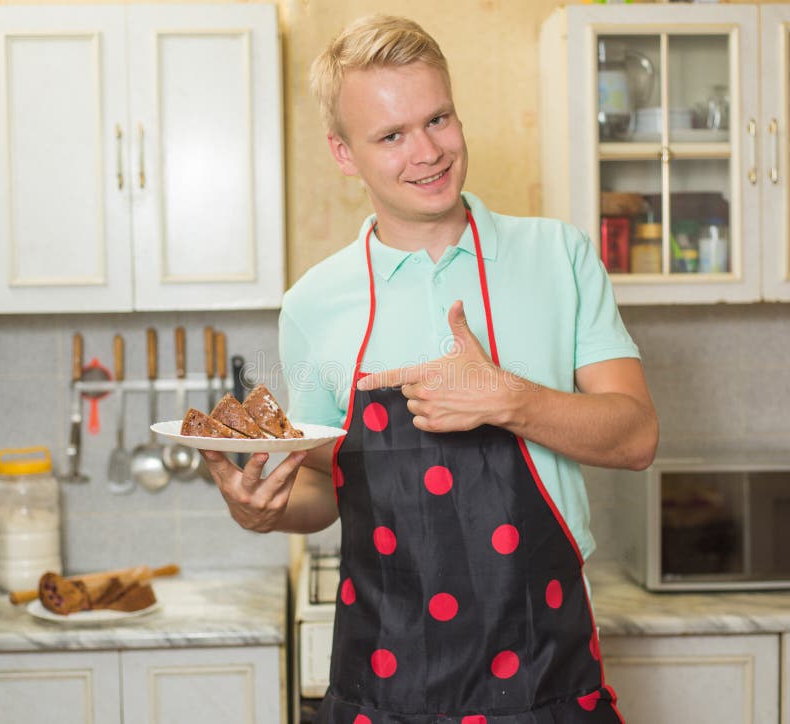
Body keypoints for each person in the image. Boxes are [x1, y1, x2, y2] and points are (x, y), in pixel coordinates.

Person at [202, 13, 658, 723]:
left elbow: (635, 438)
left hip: (544, 673)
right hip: (383, 680)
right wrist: (259, 512)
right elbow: (325, 484)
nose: (428, 152)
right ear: (345, 153)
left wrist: (508, 398)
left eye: (437, 118)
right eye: (390, 135)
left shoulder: (558, 257)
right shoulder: (313, 305)